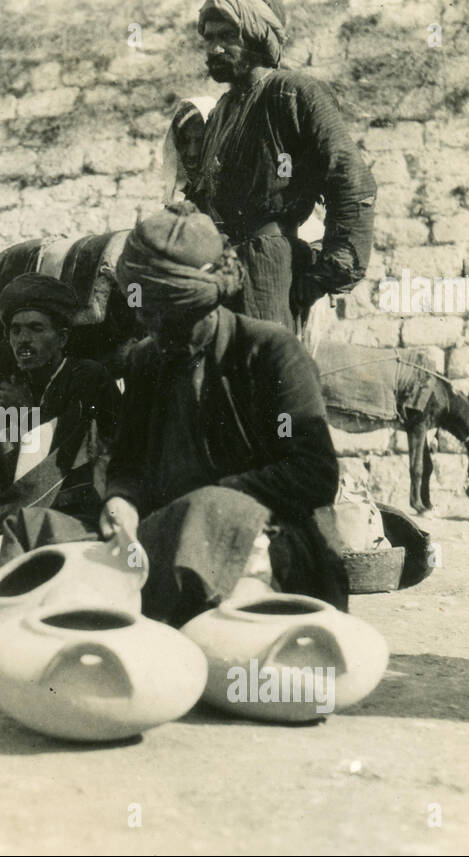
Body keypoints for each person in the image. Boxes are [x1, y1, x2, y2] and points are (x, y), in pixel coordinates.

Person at [100, 204, 347, 625]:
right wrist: (121, 500)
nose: (146, 324)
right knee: (45, 535)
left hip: (268, 542)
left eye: (159, 313)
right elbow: (128, 463)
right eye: (141, 309)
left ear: (199, 303)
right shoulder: (147, 361)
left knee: (207, 516)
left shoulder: (270, 352)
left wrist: (214, 498)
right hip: (169, 535)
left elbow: (314, 473)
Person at [170, 0, 376, 338]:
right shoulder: (222, 110)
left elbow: (351, 180)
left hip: (266, 268)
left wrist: (326, 272)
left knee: (261, 377)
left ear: (257, 37)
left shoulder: (293, 93)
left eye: (227, 36)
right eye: (208, 38)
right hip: (218, 272)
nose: (214, 48)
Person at [0, 274, 121, 540]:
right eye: (16, 330)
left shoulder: (86, 375)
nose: (23, 339)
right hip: (19, 494)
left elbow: (73, 446)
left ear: (61, 339)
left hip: (74, 495)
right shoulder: (9, 379)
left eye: (36, 329)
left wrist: (26, 410)